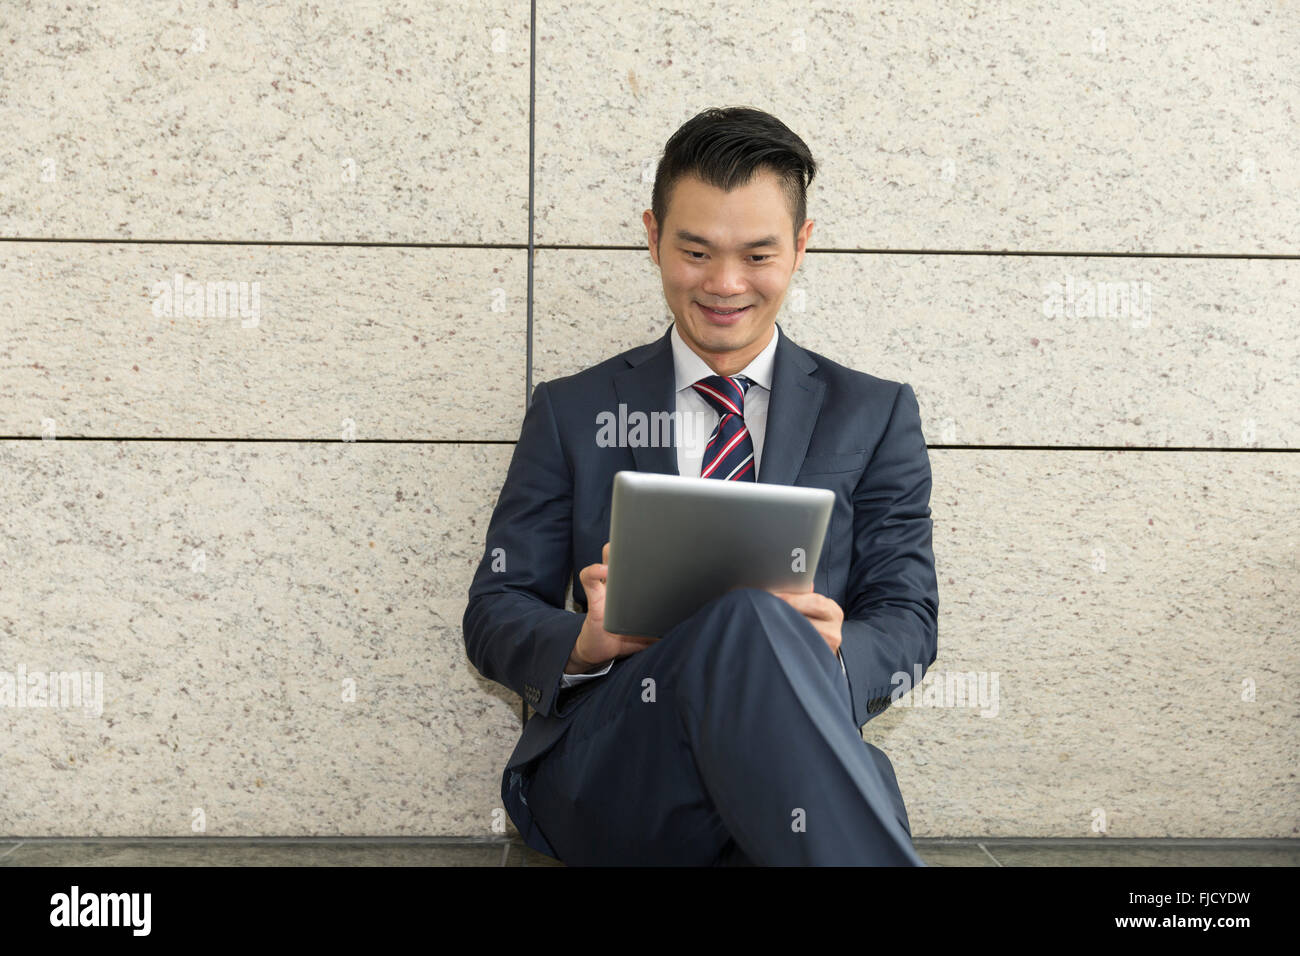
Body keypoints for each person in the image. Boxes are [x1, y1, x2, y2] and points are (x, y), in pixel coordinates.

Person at [462, 106, 939, 865]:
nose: (725, 285)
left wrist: (833, 651)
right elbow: (494, 609)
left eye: (757, 255)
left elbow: (910, 617)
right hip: (618, 766)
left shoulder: (874, 415)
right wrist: (585, 643)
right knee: (747, 620)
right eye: (695, 251)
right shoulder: (572, 410)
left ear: (801, 247)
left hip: (790, 767)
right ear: (652, 238)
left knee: (758, 629)